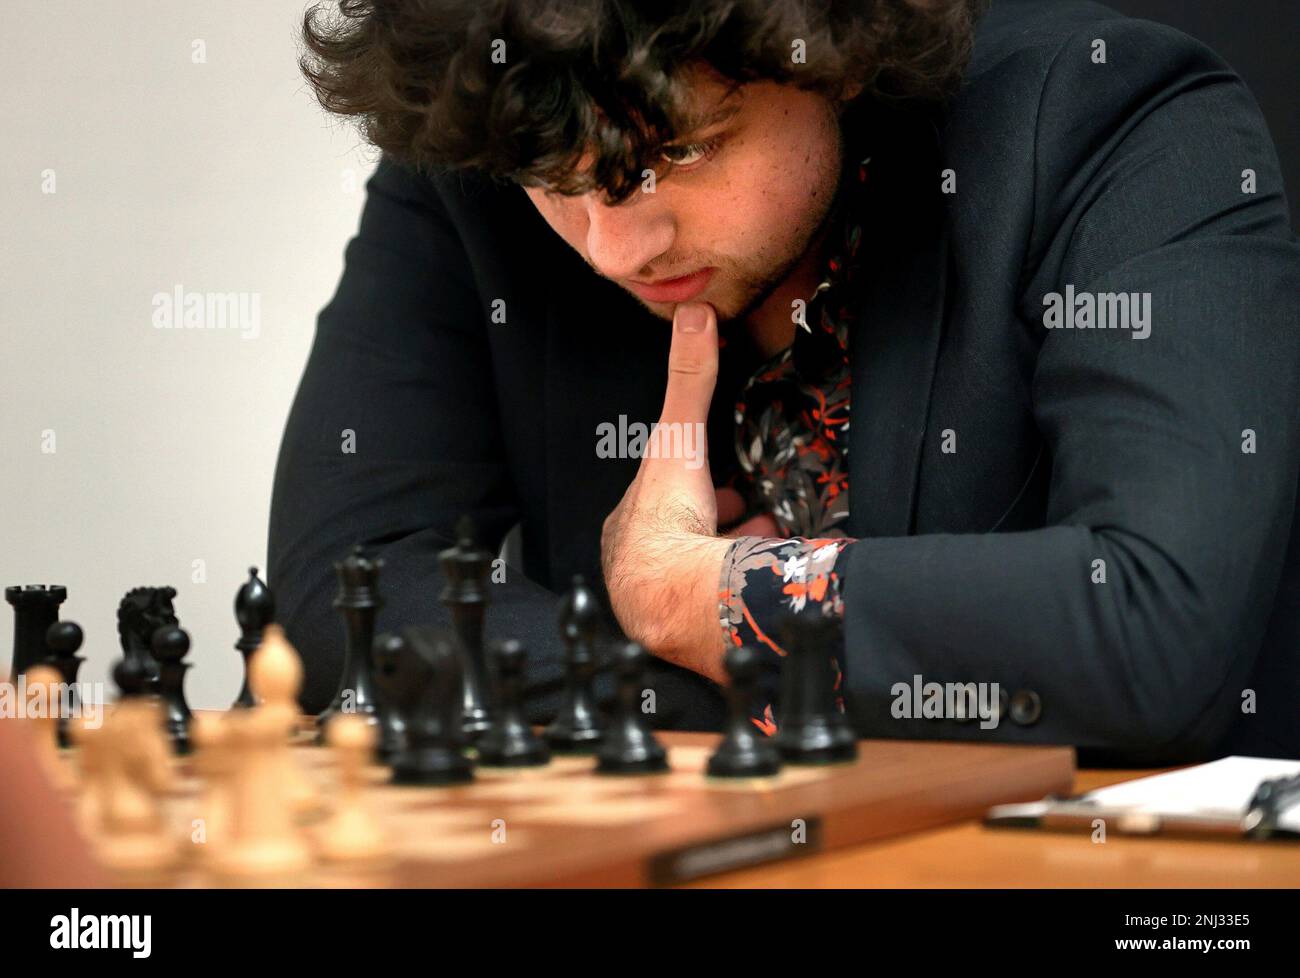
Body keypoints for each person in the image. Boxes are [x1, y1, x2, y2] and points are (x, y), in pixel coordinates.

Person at [270, 0, 1300, 765]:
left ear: (835, 60)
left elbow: (1153, 633)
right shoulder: (495, 139)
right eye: (558, 186)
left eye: (681, 150)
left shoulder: (1112, 121)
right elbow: (341, 604)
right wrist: (766, 686)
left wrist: (692, 596)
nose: (616, 243)